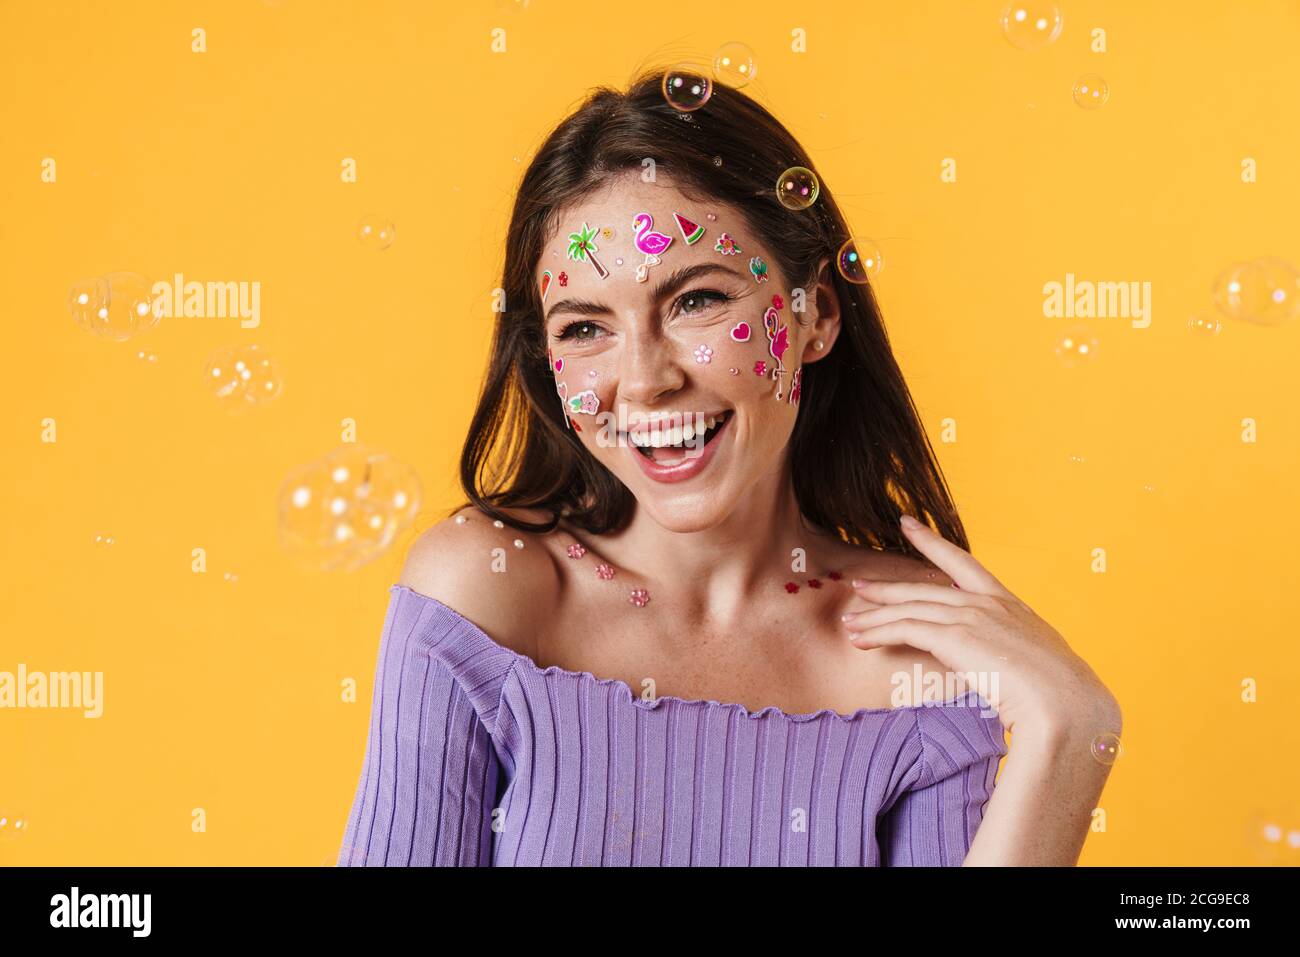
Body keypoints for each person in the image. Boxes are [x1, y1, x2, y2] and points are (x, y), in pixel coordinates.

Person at [338, 69, 1121, 867]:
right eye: (584, 328)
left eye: (696, 302)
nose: (644, 381)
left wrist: (1070, 736)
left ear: (813, 314)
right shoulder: (488, 592)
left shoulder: (914, 651)